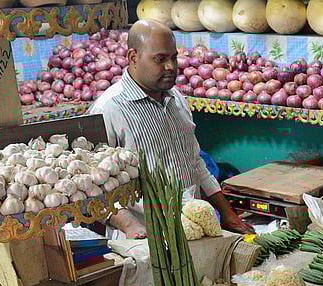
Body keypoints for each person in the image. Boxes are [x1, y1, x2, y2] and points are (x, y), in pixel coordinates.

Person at [89, 19, 253, 238]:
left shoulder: (177, 99)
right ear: (133, 57)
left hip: (191, 229)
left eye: (173, 58)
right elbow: (93, 188)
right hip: (144, 238)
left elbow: (195, 162)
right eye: (160, 59)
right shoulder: (107, 110)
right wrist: (130, 226)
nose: (170, 67)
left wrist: (227, 212)